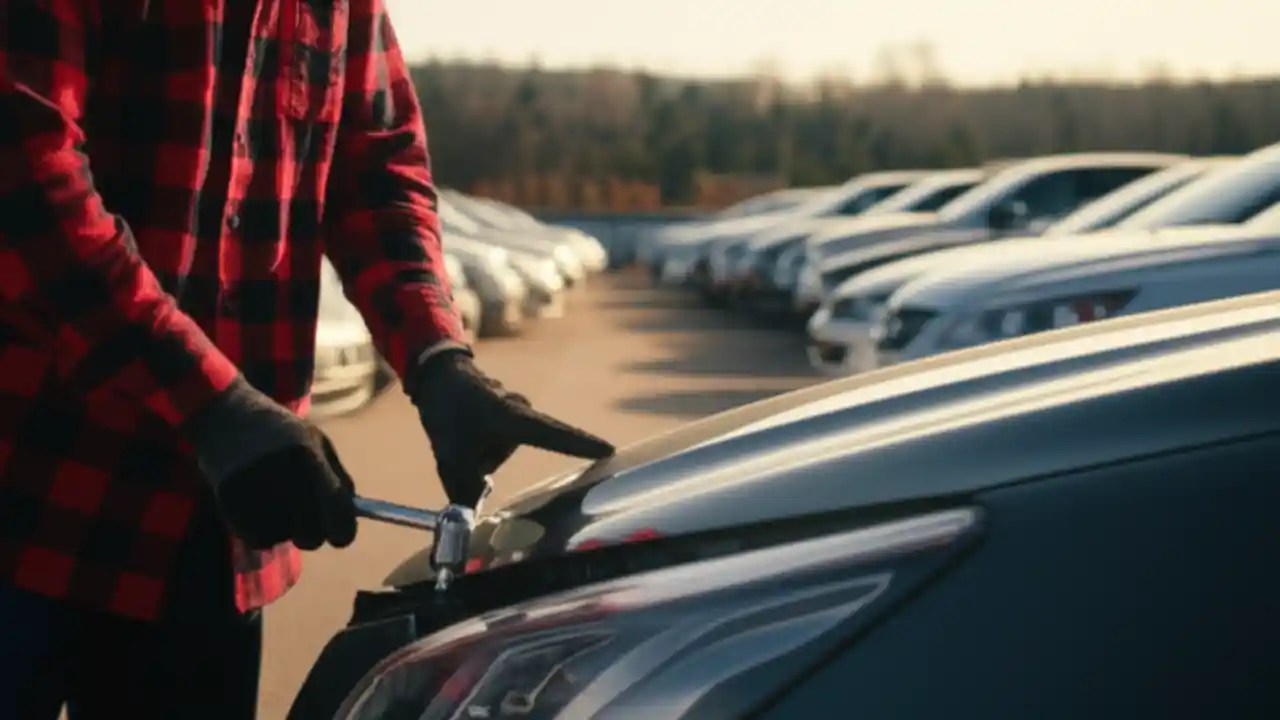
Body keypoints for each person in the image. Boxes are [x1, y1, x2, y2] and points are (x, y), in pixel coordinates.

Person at [0, 1, 615, 718]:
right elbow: (23, 171)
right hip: (31, 500)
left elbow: (379, 173)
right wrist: (214, 407)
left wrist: (437, 356)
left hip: (214, 540)